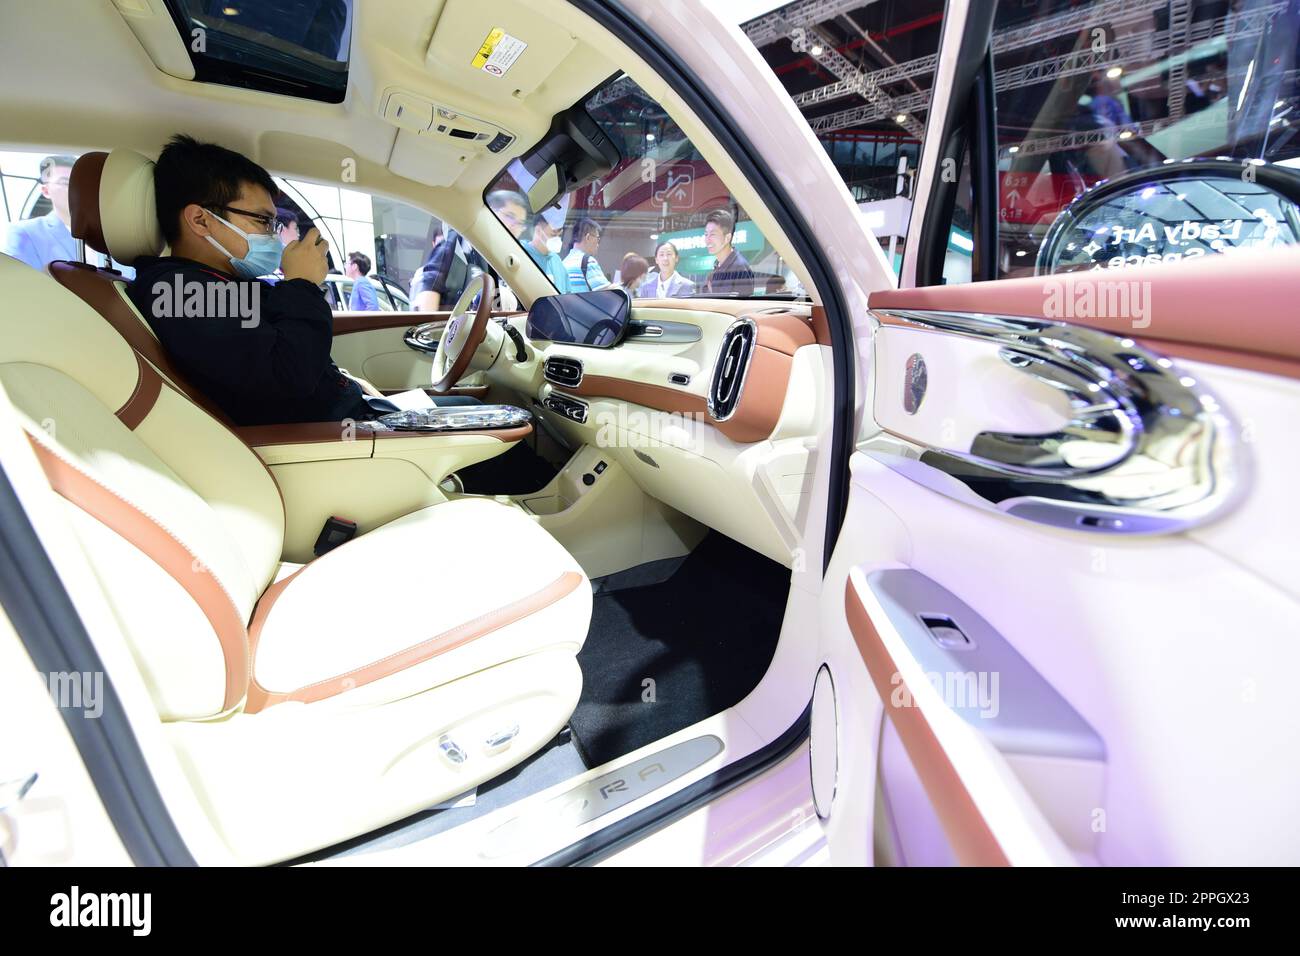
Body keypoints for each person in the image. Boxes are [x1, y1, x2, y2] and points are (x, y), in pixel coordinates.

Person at [126, 135, 477, 426]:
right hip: (329, 438)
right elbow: (288, 377)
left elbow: (277, 356)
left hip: (347, 416)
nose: (274, 236)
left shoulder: (212, 285)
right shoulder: (180, 294)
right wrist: (303, 285)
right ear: (201, 221)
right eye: (262, 221)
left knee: (465, 404)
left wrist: (349, 383)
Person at [410, 192, 524, 310]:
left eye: (521, 223)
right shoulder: (458, 243)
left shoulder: (510, 260)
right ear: (492, 214)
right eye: (510, 216)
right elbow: (430, 285)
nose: (515, 226)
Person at [3, 155, 78, 271]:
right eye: (65, 182)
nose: (74, 189)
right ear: (46, 191)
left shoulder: (105, 236)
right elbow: (19, 282)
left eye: (78, 183)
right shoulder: (25, 232)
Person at [701, 208, 754, 296]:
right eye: (706, 234)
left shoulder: (739, 269)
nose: (707, 240)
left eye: (713, 234)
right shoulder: (717, 266)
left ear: (727, 238)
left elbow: (741, 306)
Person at [563, 218, 610, 292]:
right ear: (588, 237)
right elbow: (608, 292)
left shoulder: (564, 263)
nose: (598, 244)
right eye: (597, 239)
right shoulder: (587, 262)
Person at [524, 215, 569, 293]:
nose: (557, 239)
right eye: (553, 235)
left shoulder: (556, 261)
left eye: (560, 235)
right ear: (538, 230)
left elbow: (567, 293)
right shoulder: (522, 255)